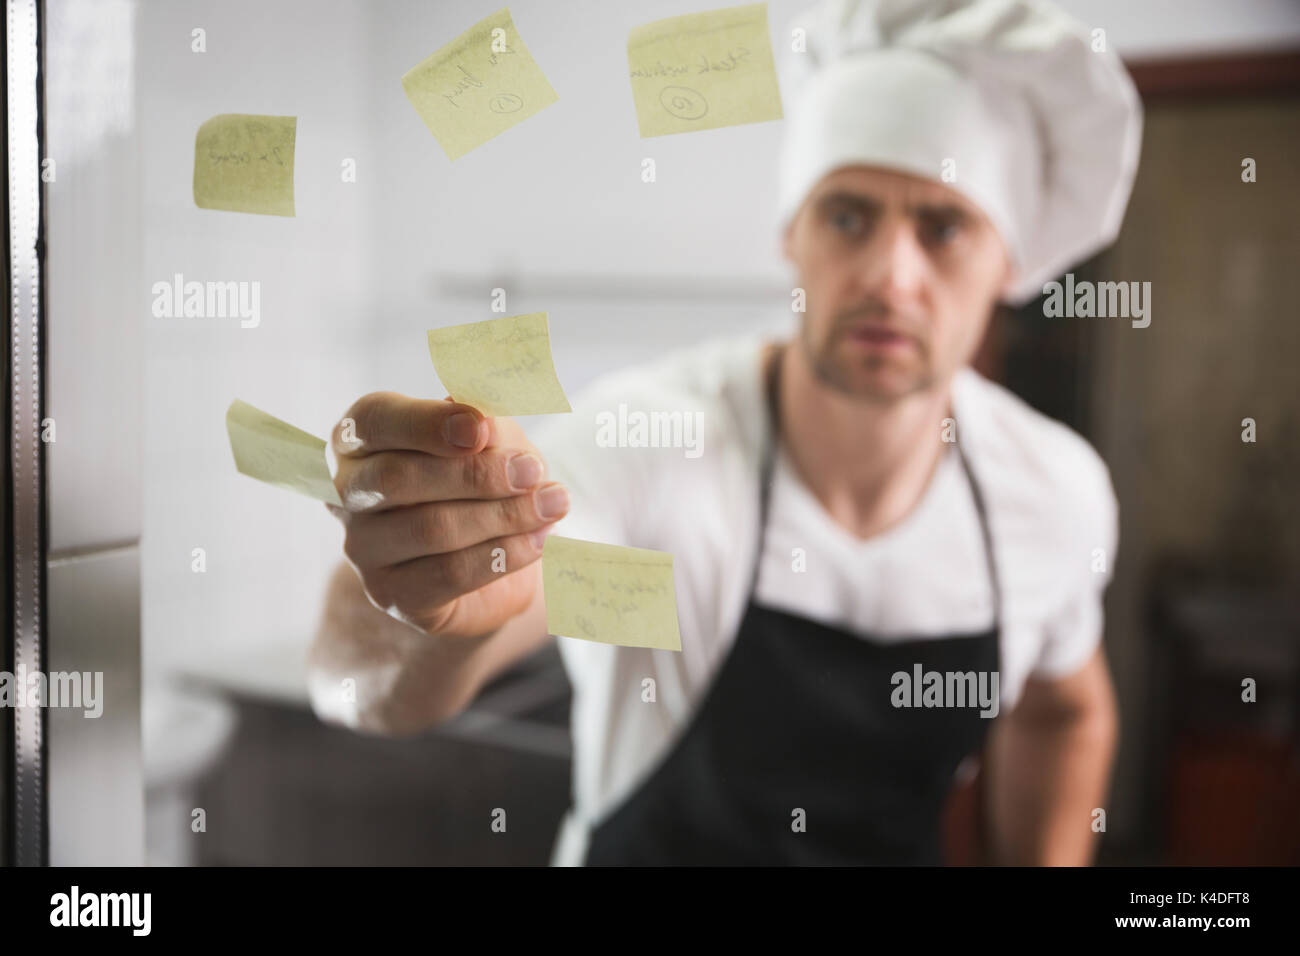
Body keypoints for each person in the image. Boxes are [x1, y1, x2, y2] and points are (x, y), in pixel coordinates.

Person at [308, 0, 1142, 865]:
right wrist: (433, 596)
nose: (892, 276)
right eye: (850, 216)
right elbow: (363, 690)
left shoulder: (1048, 492)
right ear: (792, 235)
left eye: (944, 228)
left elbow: (1066, 707)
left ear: (1009, 263)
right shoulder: (657, 443)